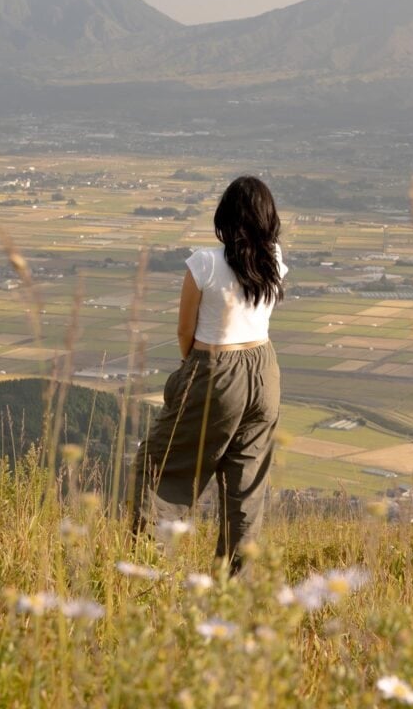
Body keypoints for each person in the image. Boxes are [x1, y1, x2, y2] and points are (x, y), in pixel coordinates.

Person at [132, 175, 287, 572]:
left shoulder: (204, 263)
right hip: (265, 372)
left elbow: (185, 330)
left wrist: (193, 371)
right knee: (246, 486)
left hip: (216, 366)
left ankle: (147, 570)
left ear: (225, 215)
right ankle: (235, 585)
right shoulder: (273, 259)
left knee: (159, 465)